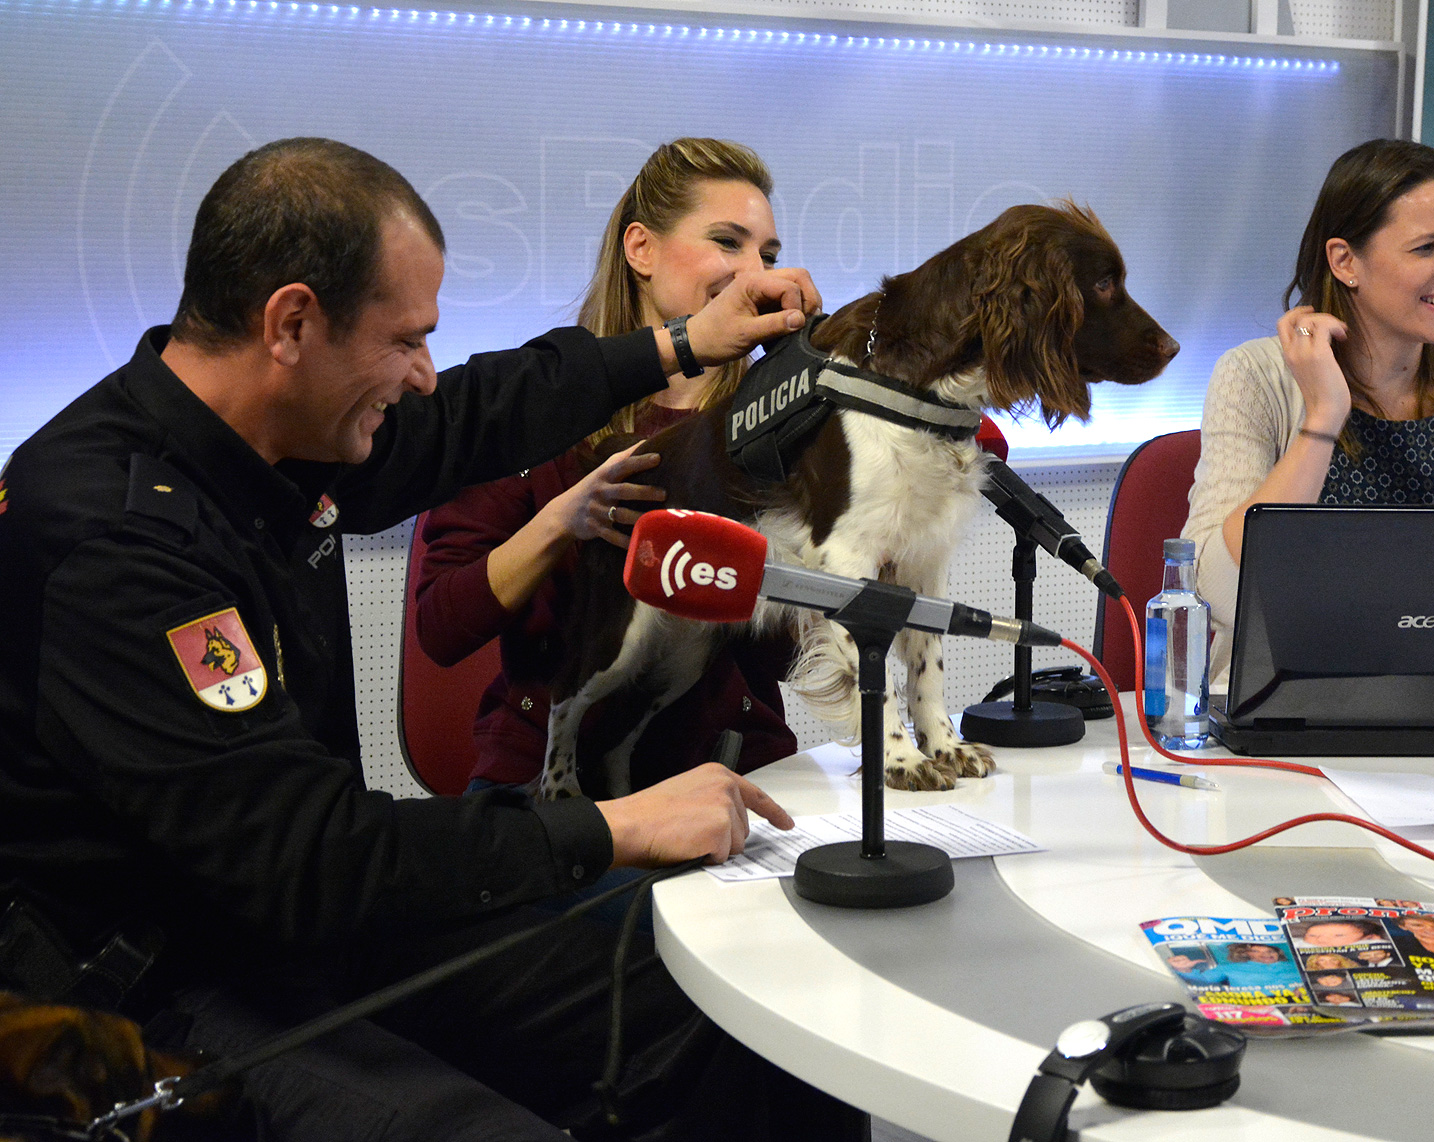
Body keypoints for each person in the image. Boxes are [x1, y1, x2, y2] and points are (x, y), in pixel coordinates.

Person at [0, 138, 864, 1141]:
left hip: (311, 922)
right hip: (173, 987)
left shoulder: (279, 438)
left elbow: (475, 414)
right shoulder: (114, 536)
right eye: (406, 340)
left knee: (756, 1007)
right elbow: (309, 852)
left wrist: (674, 344)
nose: (422, 376)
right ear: (291, 323)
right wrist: (611, 827)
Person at [412, 138, 795, 794]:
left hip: (725, 774)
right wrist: (560, 524)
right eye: (728, 242)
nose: (756, 271)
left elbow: (776, 660)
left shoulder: (771, 423)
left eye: (768, 254)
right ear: (640, 248)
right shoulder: (543, 408)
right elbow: (444, 629)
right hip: (558, 790)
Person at [1181, 138, 1434, 681]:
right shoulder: (1253, 376)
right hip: (1285, 711)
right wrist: (1322, 416)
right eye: (1426, 248)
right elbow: (1222, 594)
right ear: (1346, 261)